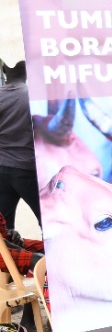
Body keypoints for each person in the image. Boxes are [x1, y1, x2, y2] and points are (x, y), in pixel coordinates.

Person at [0, 63, 40, 225]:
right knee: (49, 222)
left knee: (4, 229)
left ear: (4, 71)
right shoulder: (33, 97)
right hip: (27, 168)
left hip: (1, 168)